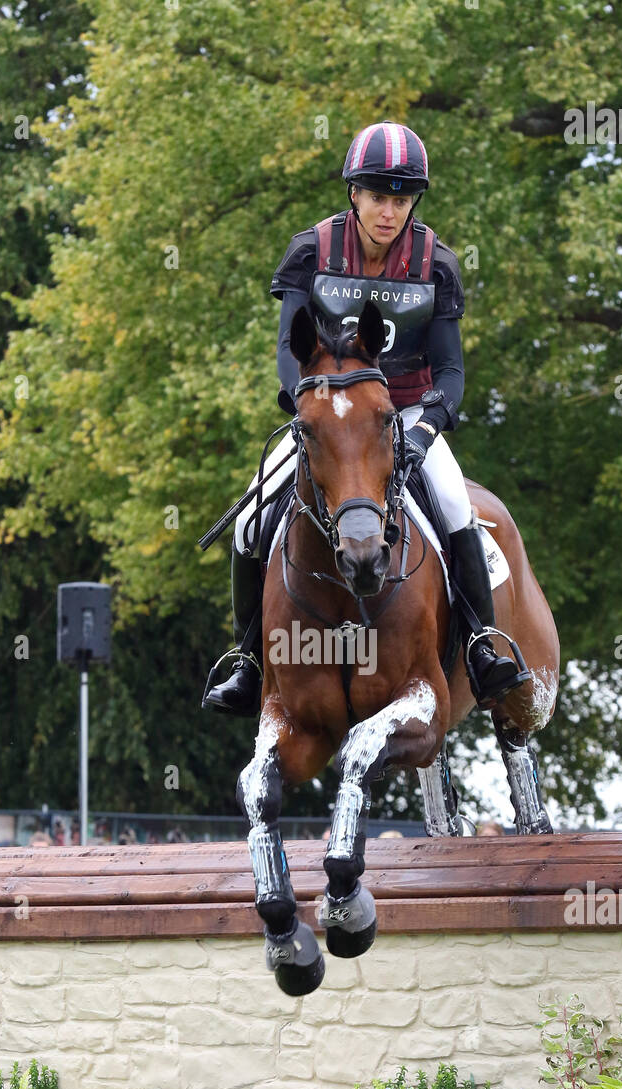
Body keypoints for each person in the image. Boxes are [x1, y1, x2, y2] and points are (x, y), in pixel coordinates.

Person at [202, 120, 528, 717]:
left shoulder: (437, 264)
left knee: (456, 507)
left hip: (405, 416)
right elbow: (287, 349)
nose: (389, 211)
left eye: (401, 199)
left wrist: (423, 429)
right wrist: (308, 412)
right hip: (327, 416)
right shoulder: (310, 252)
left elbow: (451, 373)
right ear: (354, 194)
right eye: (378, 196)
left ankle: (482, 645)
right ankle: (249, 660)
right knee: (251, 517)